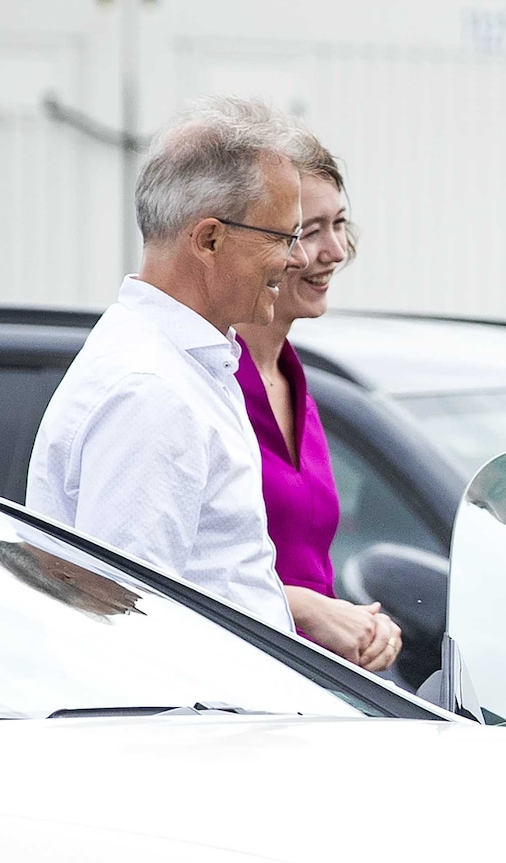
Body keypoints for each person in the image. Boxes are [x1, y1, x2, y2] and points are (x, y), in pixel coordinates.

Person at [27, 99, 301, 629]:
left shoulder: (179, 367)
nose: (299, 258)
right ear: (209, 239)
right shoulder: (152, 391)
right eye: (282, 237)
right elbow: (126, 627)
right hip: (200, 713)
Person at [234, 130, 402, 673]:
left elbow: (306, 568)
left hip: (303, 691)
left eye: (339, 224)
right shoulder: (209, 383)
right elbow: (157, 581)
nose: (332, 252)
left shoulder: (294, 375)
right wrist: (304, 609)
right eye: (308, 231)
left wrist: (361, 627)